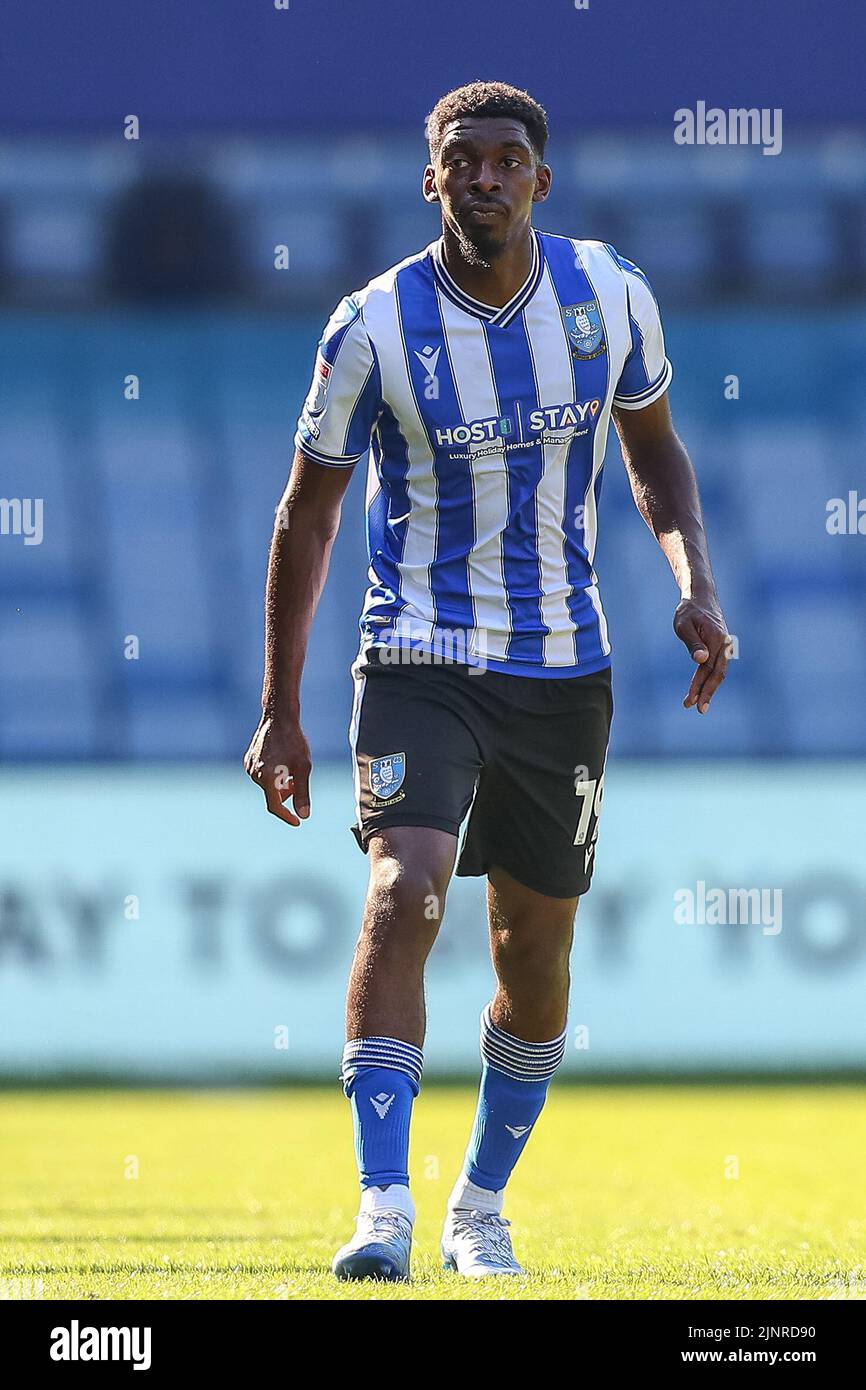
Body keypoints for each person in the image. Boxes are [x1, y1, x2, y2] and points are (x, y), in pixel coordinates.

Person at [244, 80, 729, 1282]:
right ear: (431, 180)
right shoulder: (369, 326)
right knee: (404, 888)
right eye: (462, 159)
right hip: (414, 649)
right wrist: (279, 707)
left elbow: (652, 447)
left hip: (564, 669)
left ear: (539, 181)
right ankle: (381, 1209)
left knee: (535, 951)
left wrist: (692, 582)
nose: (485, 177)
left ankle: (476, 1205)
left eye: (507, 159)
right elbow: (307, 517)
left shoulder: (608, 294)